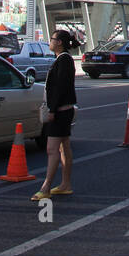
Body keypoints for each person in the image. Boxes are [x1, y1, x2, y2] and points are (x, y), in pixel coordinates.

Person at [33, 28, 79, 202]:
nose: (49, 42)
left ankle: (46, 187)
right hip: (64, 110)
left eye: (52, 39)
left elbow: (60, 87)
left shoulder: (64, 60)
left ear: (59, 42)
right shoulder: (62, 59)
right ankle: (65, 184)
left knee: (52, 149)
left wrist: (52, 109)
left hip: (60, 111)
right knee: (63, 148)